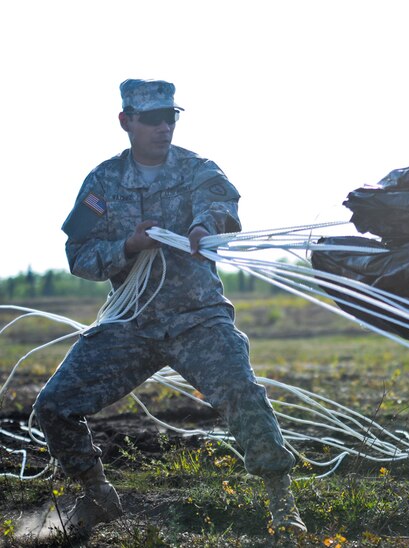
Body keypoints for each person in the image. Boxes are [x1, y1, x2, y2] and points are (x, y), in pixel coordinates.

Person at [33, 79, 305, 536]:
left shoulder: (198, 169)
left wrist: (203, 227)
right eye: (153, 118)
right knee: (54, 406)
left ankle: (283, 505)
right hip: (129, 322)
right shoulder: (102, 182)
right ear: (126, 122)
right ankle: (98, 496)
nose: (164, 127)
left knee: (242, 392)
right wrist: (128, 245)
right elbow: (79, 255)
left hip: (197, 317)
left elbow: (221, 204)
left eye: (170, 117)